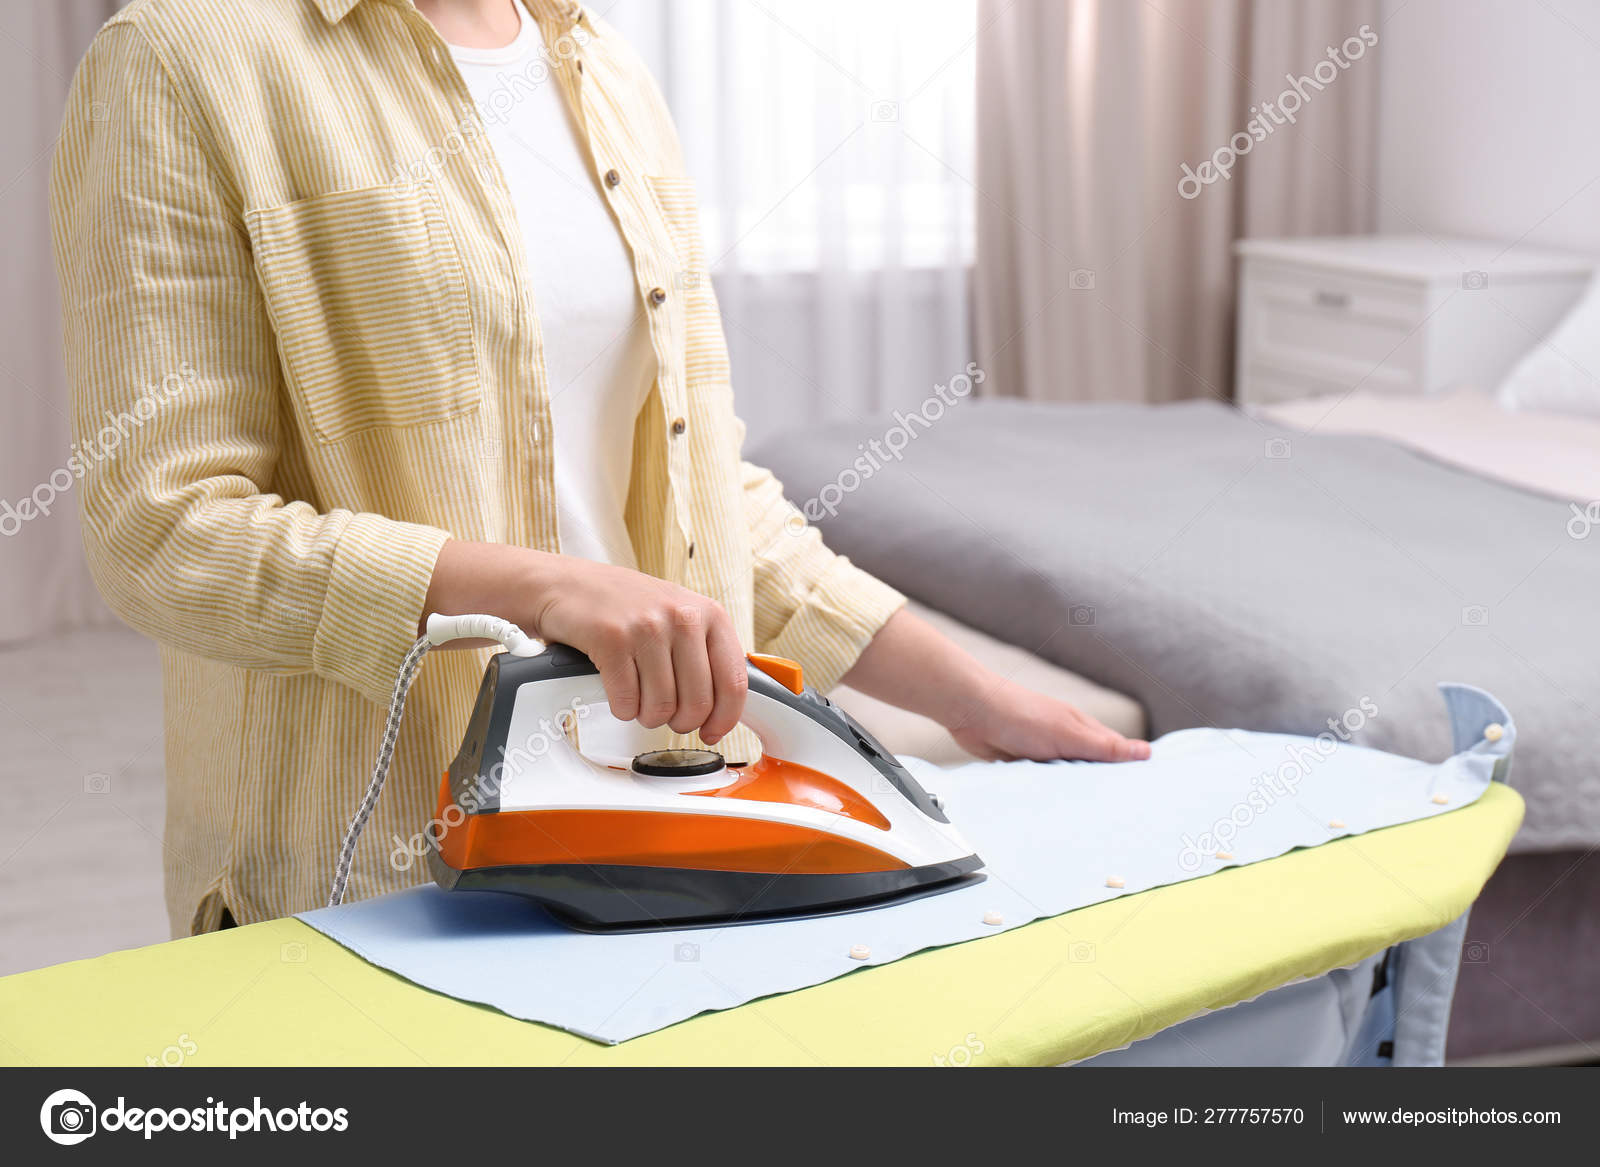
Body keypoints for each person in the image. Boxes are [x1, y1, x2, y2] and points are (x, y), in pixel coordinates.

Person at [50, 0, 1148, 936]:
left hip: (645, 815)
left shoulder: (601, 69)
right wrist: (547, 587)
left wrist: (982, 702)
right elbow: (167, 531)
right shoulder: (183, 59)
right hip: (369, 862)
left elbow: (707, 503)